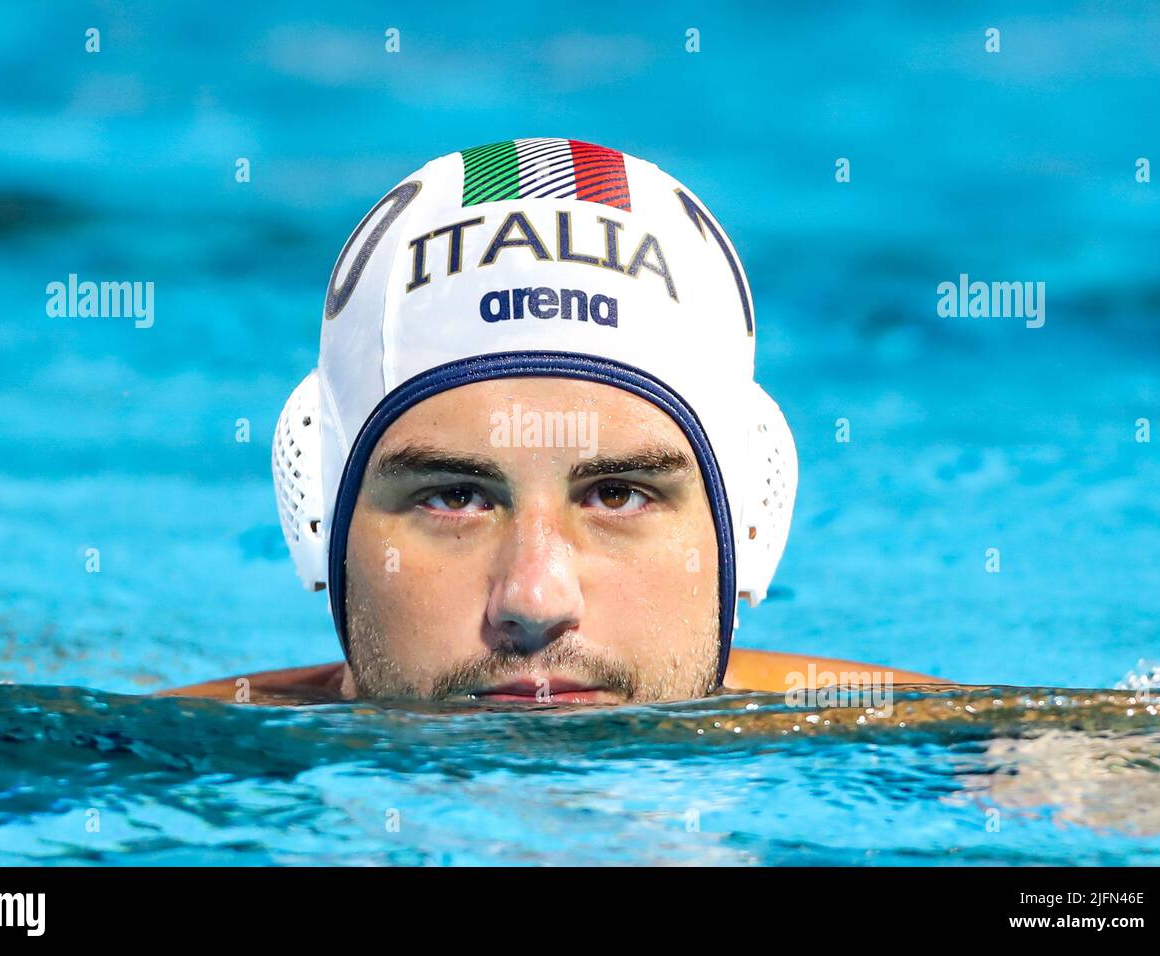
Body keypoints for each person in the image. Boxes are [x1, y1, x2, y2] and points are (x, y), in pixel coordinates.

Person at [164, 137, 943, 705]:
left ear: (749, 525)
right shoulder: (141, 768)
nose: (534, 602)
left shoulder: (986, 755)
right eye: (455, 496)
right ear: (317, 520)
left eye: (618, 494)